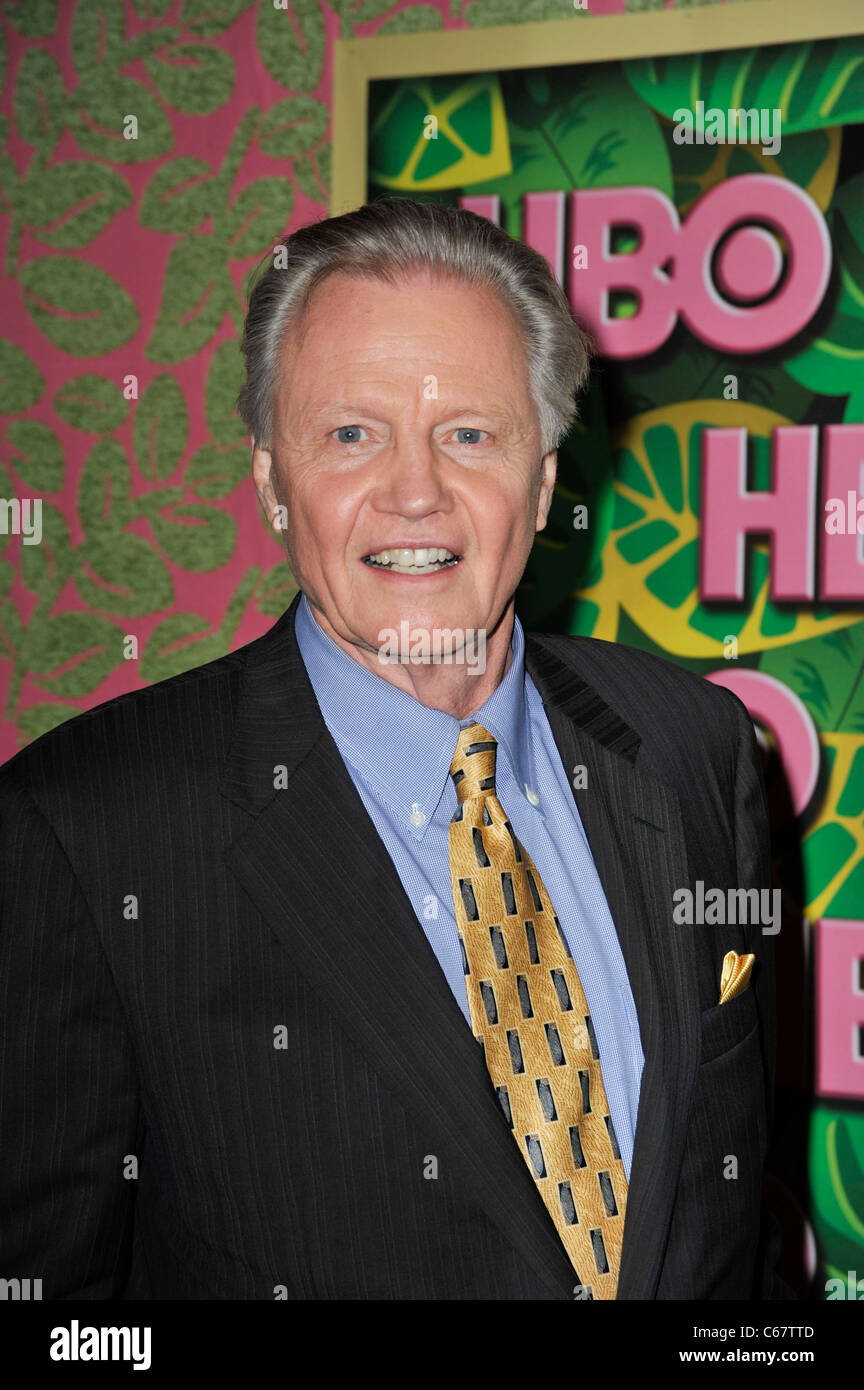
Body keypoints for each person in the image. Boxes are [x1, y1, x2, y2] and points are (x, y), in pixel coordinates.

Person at [0, 198, 791, 1299]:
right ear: (274, 479)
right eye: (351, 434)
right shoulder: (85, 830)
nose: (416, 492)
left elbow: (736, 1241)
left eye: (470, 433)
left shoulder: (695, 744)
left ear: (547, 476)